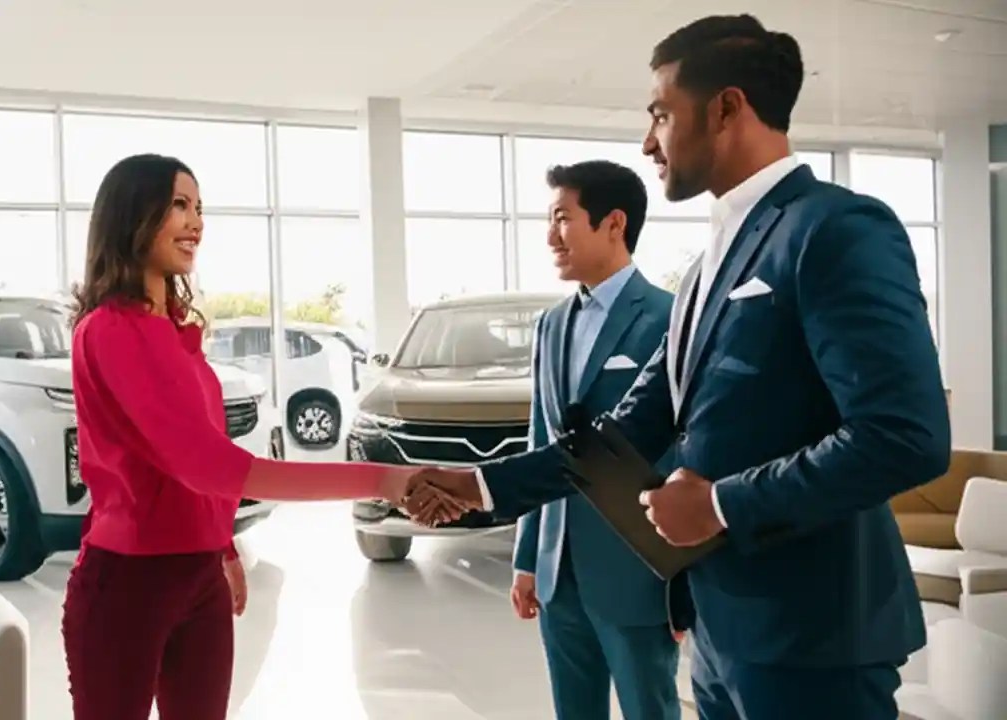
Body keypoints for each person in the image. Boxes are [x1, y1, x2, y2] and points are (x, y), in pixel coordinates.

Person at [404, 14, 949, 720]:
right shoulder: (701, 272)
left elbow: (904, 436)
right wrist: (479, 486)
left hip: (813, 638)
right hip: (720, 634)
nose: (647, 141)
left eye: (660, 113)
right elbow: (621, 435)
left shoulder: (837, 228)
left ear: (727, 107)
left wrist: (722, 503)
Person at [61, 153, 417, 720]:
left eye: (199, 207)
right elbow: (207, 465)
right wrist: (384, 479)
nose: (195, 221)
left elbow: (189, 464)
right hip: (128, 584)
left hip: (198, 576)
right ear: (133, 214)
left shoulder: (176, 333)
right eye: (179, 205)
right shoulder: (109, 330)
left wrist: (222, 545)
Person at [511, 160, 680, 720]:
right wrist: (528, 557)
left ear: (613, 223)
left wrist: (683, 579)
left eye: (563, 218)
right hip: (561, 573)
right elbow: (541, 438)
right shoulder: (551, 325)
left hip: (637, 566)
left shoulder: (669, 318)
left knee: (648, 709)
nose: (551, 235)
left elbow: (686, 447)